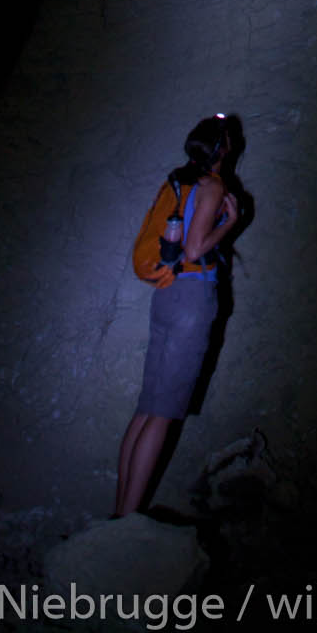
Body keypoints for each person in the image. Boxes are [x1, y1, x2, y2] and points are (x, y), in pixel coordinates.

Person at [115, 112, 244, 517]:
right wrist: (232, 223)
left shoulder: (180, 180)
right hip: (192, 298)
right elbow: (194, 249)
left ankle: (120, 513)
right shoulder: (212, 186)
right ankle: (127, 522)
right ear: (222, 149)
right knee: (164, 414)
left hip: (166, 294)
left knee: (147, 408)